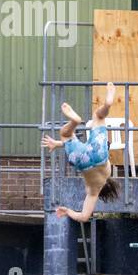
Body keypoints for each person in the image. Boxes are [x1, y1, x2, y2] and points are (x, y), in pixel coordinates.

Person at [41, 83, 121, 221]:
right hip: (82, 162)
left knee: (98, 116)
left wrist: (57, 144)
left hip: (100, 155)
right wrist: (67, 211)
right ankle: (74, 122)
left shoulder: (108, 172)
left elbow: (86, 148)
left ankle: (107, 105)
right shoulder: (93, 192)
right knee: (65, 135)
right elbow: (84, 217)